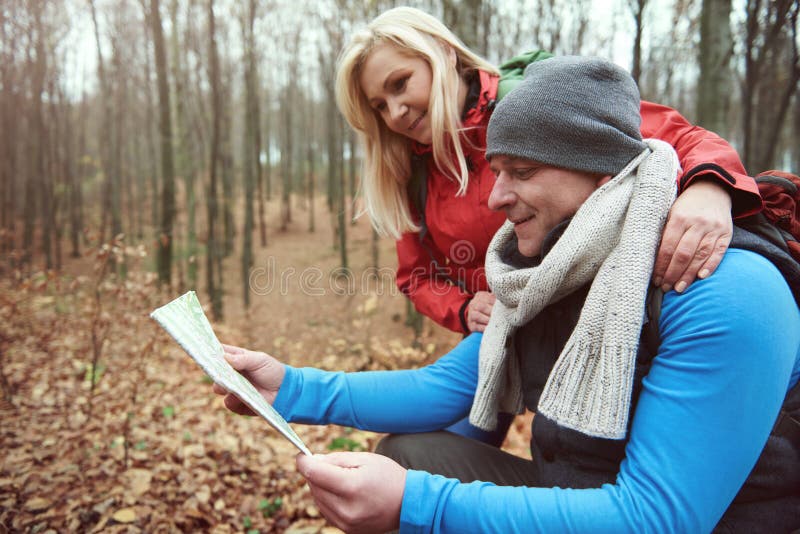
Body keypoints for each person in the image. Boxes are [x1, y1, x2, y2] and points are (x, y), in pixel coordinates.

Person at [216, 56, 800, 533]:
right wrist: (286, 388)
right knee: (410, 454)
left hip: (685, 520)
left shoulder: (722, 290)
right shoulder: (549, 276)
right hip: (581, 494)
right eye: (496, 171)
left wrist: (421, 505)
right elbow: (444, 386)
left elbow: (655, 518)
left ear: (603, 175)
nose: (496, 198)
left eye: (520, 171)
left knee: (414, 485)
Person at [336, 6, 762, 335]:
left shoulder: (533, 101)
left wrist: (709, 187)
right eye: (379, 105)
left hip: (616, 314)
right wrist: (463, 309)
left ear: (443, 55)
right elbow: (416, 275)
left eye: (400, 83)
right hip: (509, 336)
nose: (394, 112)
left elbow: (677, 136)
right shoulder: (412, 172)